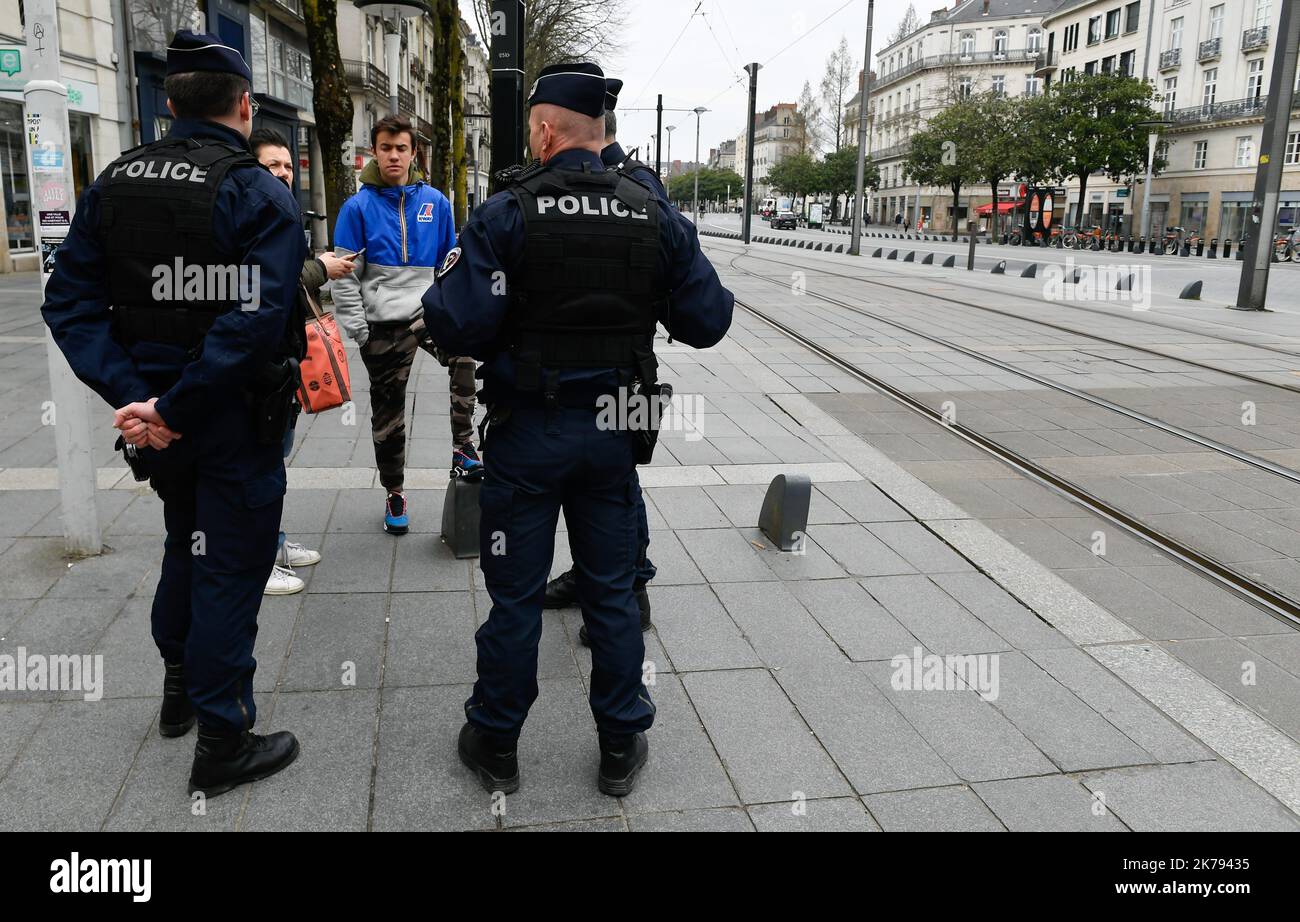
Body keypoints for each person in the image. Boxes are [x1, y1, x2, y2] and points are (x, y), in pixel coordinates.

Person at [421, 61, 733, 797]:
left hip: (528, 434)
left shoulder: (506, 211)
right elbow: (708, 319)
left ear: (545, 128)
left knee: (516, 597)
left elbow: (453, 320)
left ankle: (496, 742)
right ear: (601, 130)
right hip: (614, 434)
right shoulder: (649, 209)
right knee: (613, 595)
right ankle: (620, 745)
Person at [41, 31, 303, 797]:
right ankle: (224, 740)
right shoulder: (257, 191)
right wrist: (177, 402)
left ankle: (179, 691)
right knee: (230, 567)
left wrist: (133, 398)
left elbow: (70, 302)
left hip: (154, 428)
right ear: (245, 105)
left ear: (167, 101)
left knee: (183, 546)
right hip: (227, 418)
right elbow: (256, 319)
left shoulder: (114, 182)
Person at [542, 77, 656, 646]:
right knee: (606, 485)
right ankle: (594, 578)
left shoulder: (636, 185)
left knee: (619, 488)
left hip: (622, 373)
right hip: (622, 378)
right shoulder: (596, 180)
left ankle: (631, 589)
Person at [331, 116, 475, 537]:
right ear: (374, 151)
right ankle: (394, 491)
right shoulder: (356, 207)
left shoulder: (437, 202)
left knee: (465, 352)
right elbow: (344, 274)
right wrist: (358, 331)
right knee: (388, 415)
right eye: (385, 147)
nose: (394, 155)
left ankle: (463, 446)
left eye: (401, 148)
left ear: (415, 154)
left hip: (427, 314)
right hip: (382, 326)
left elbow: (450, 265)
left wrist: (456, 311)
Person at [249, 126, 356, 595]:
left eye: (287, 165)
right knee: (261, 464)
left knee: (275, 460)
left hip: (284, 360)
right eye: (271, 165)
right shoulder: (251, 212)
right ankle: (258, 559)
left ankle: (274, 543)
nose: (282, 173)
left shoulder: (279, 211)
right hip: (261, 364)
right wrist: (322, 269)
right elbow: (276, 281)